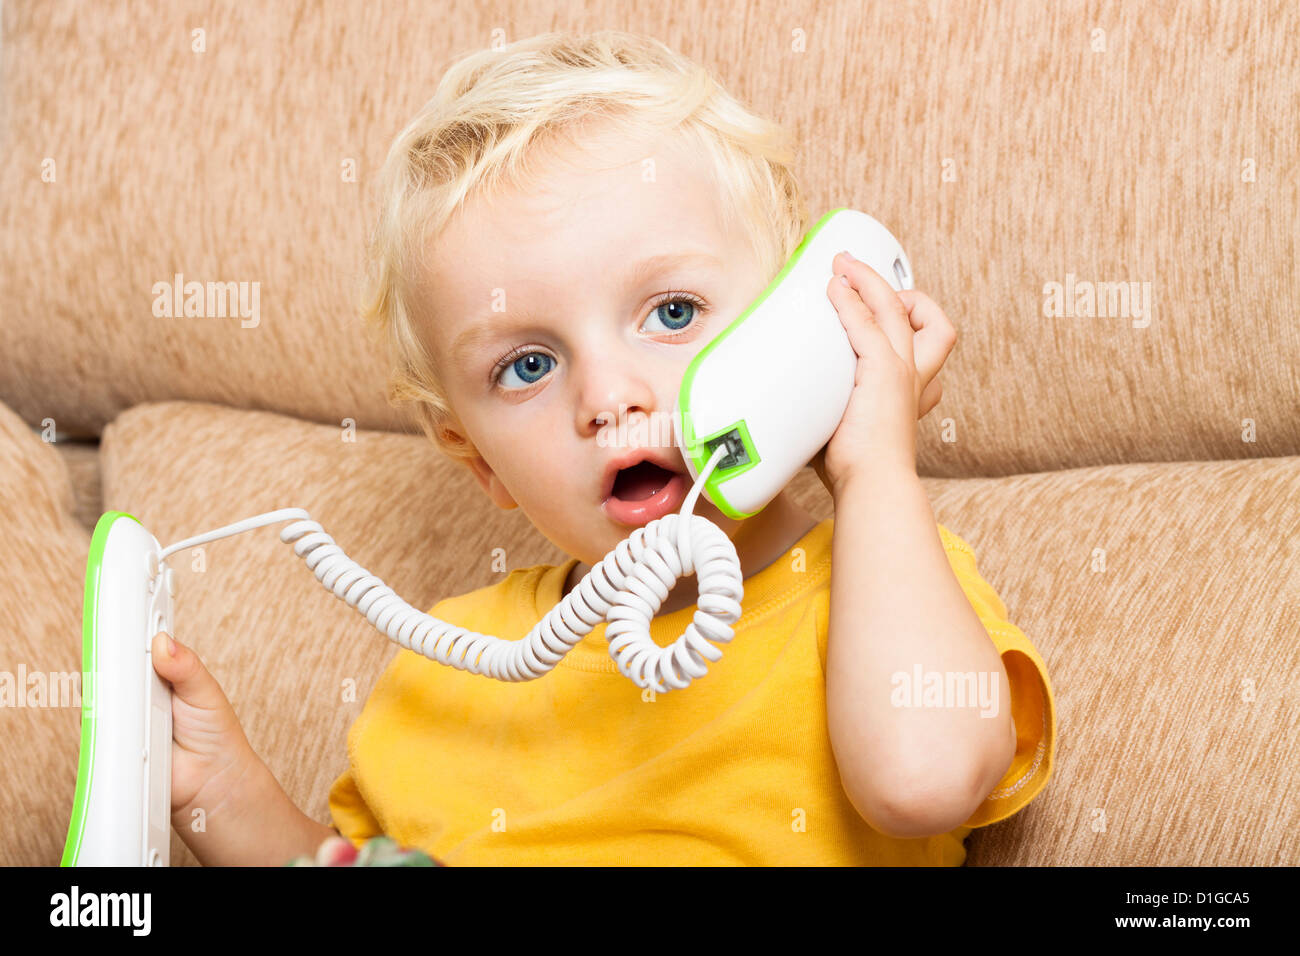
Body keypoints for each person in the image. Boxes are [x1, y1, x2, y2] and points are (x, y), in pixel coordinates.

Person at [151, 29, 1055, 866]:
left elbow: (925, 779)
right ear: (477, 461)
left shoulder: (883, 585)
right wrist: (221, 795)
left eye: (671, 313)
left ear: (795, 321)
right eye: (528, 364)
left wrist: (872, 466)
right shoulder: (448, 663)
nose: (606, 396)